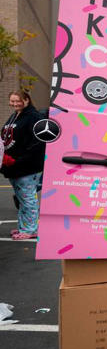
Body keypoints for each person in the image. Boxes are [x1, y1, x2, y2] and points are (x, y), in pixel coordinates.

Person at [1, 90, 45, 240]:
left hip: (27, 167)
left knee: (28, 199)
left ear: (26, 100)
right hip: (14, 167)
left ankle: (31, 229)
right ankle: (23, 226)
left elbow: (38, 143)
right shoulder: (15, 115)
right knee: (22, 199)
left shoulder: (33, 117)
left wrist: (19, 160)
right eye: (12, 101)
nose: (14, 104)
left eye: (17, 101)